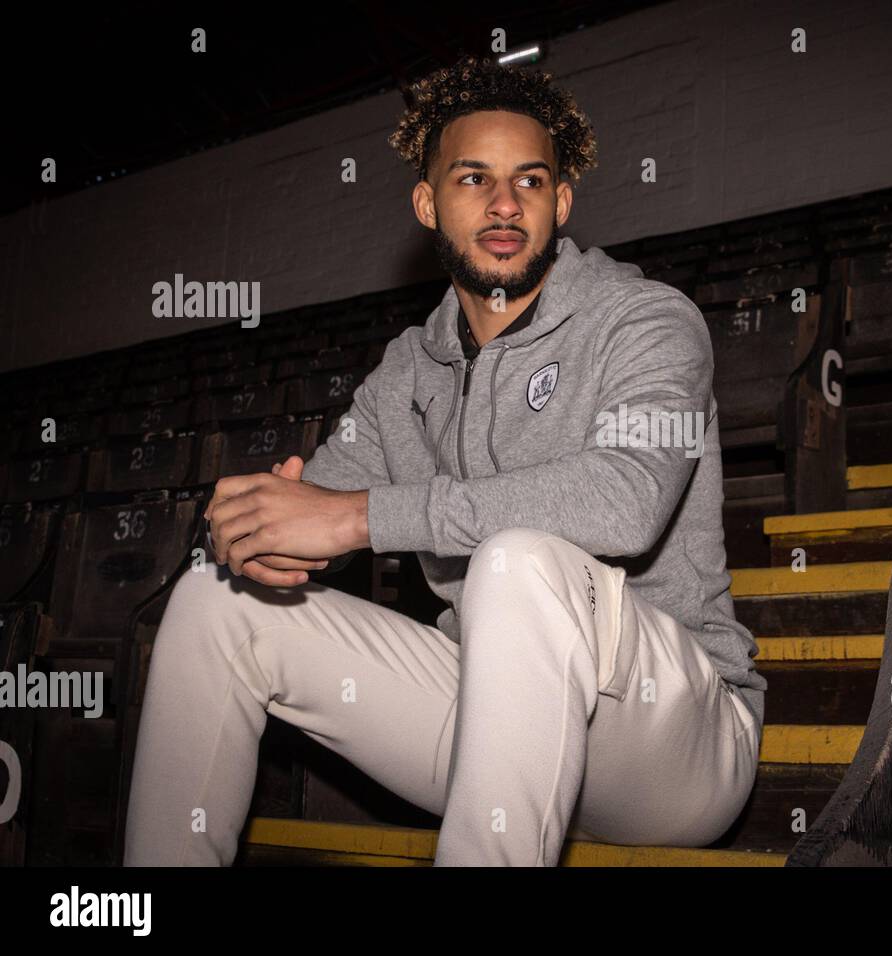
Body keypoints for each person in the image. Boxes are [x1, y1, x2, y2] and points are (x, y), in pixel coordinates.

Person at [123, 54, 766, 867]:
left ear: (561, 202)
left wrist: (358, 518)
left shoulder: (644, 320)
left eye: (530, 182)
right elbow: (314, 499)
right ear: (428, 203)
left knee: (518, 562)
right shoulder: (409, 369)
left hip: (669, 746)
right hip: (492, 725)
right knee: (218, 603)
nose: (504, 204)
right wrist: (254, 523)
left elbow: (627, 499)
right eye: (472, 179)